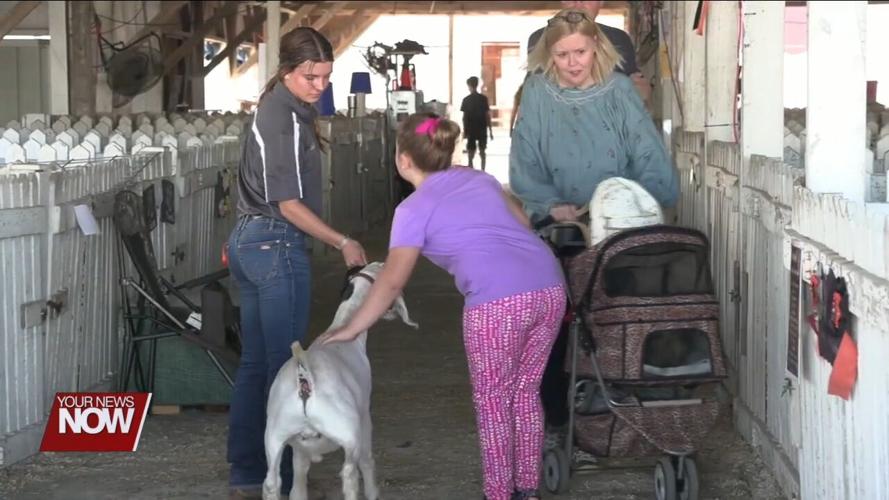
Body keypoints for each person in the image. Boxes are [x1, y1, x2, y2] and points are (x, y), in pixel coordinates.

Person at [317, 113, 567, 500]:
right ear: (449, 150)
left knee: (494, 402)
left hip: (498, 304)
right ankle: (527, 489)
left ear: (402, 160)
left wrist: (353, 327)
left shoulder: (413, 210)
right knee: (524, 393)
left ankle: (500, 493)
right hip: (549, 286)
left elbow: (392, 280)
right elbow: (523, 221)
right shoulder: (479, 179)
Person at [509, 9, 679, 442]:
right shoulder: (537, 94)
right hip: (563, 228)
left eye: (580, 51)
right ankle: (558, 417)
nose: (572, 62)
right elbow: (524, 163)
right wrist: (551, 205)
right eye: (562, 53)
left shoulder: (620, 91)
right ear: (549, 54)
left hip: (620, 228)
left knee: (621, 316)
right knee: (558, 322)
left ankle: (625, 405)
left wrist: (635, 201)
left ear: (595, 48)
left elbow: (648, 155)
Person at [226, 27, 367, 500]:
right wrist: (342, 240)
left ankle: (247, 473)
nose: (319, 85)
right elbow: (286, 202)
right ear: (287, 70)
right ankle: (283, 481)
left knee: (256, 365)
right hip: (276, 245)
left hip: (253, 243)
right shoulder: (279, 116)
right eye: (310, 76)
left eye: (326, 76)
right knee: (283, 369)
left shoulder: (291, 111)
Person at [527, 0, 651, 103]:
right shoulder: (540, 39)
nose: (578, 3)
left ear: (601, 2)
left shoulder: (619, 39)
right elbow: (532, 96)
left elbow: (638, 90)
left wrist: (640, 91)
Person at [460, 76, 494, 170]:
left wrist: (465, 131)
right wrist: (490, 131)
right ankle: (483, 170)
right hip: (482, 128)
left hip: (471, 128)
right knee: (482, 151)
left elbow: (464, 118)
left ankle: (471, 169)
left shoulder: (466, 100)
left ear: (469, 85)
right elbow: (487, 115)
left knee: (470, 151)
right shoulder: (483, 99)